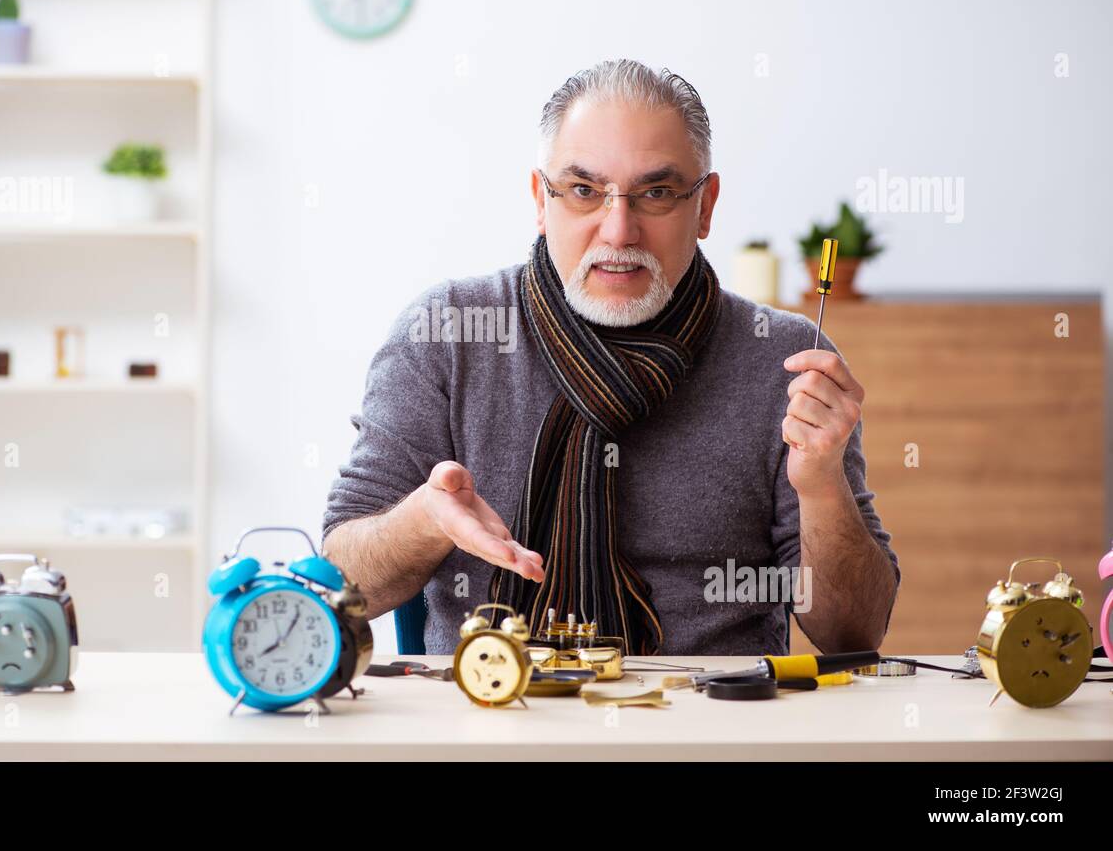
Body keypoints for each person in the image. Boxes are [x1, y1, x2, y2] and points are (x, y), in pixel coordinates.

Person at [323, 59, 899, 655]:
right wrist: (424, 520)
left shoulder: (785, 358)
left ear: (705, 207)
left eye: (655, 192)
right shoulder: (446, 333)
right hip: (493, 717)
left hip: (712, 730)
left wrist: (822, 488)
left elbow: (854, 633)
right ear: (540, 201)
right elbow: (343, 585)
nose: (619, 230)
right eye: (583, 191)